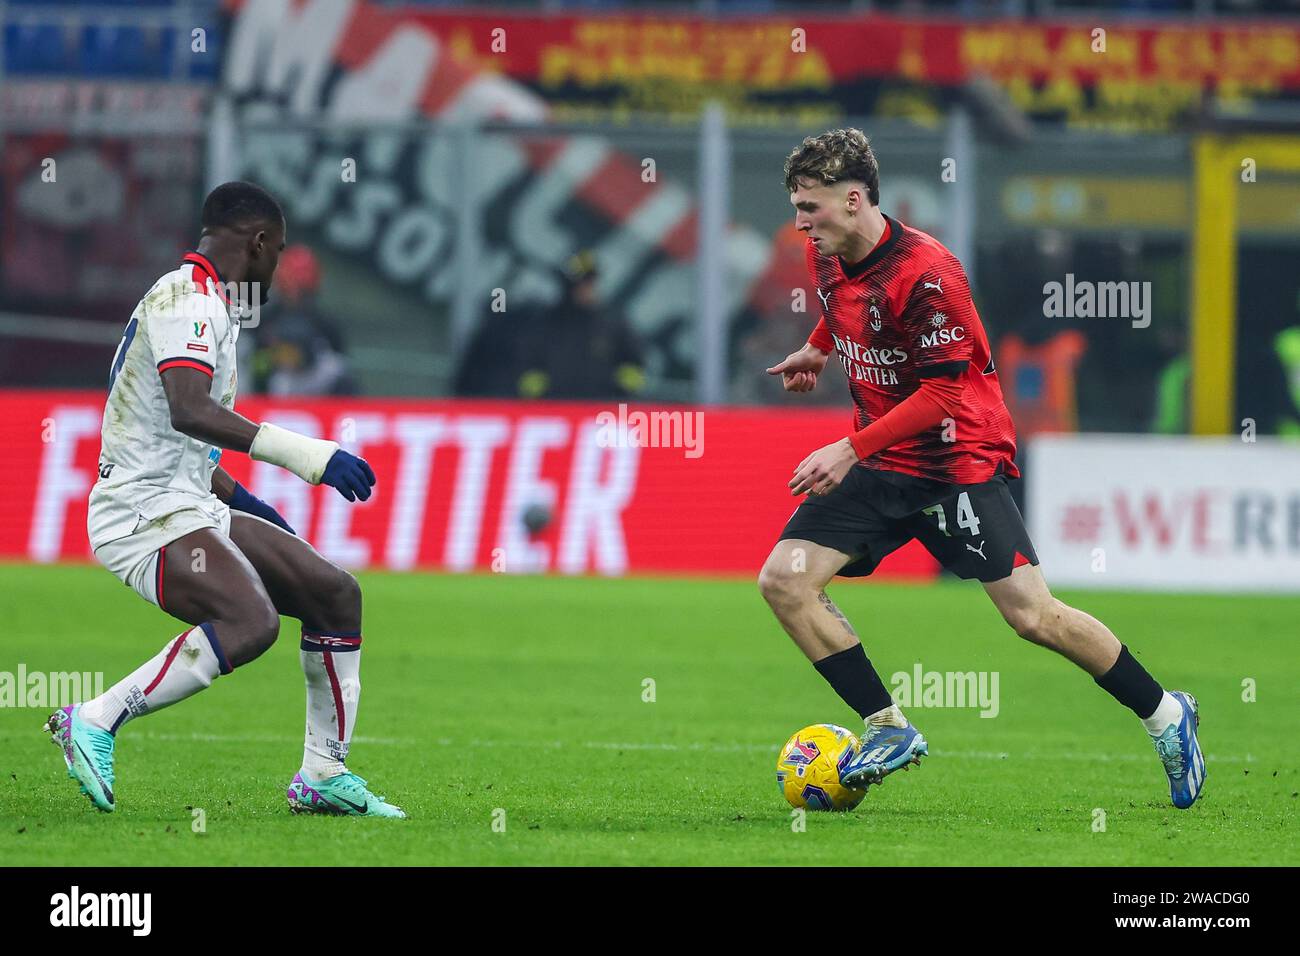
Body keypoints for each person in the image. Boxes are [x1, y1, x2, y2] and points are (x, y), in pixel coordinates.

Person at [760, 129, 1205, 809]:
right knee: (785, 582)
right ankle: (887, 727)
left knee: (1034, 618)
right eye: (797, 206)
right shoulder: (829, 256)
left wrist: (849, 449)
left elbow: (942, 393)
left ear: (854, 201)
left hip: (954, 461)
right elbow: (842, 309)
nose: (800, 222)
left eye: (810, 208)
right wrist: (817, 350)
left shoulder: (928, 273)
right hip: (884, 462)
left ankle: (1164, 713)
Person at [47, 181, 404, 818]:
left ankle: (323, 774)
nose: (279, 265)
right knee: (251, 622)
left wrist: (254, 510)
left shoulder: (208, 301)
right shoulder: (187, 300)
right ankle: (95, 720)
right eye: (280, 249)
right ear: (259, 243)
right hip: (140, 515)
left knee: (333, 593)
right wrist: (311, 457)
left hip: (188, 502)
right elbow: (189, 412)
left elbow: (194, 449)